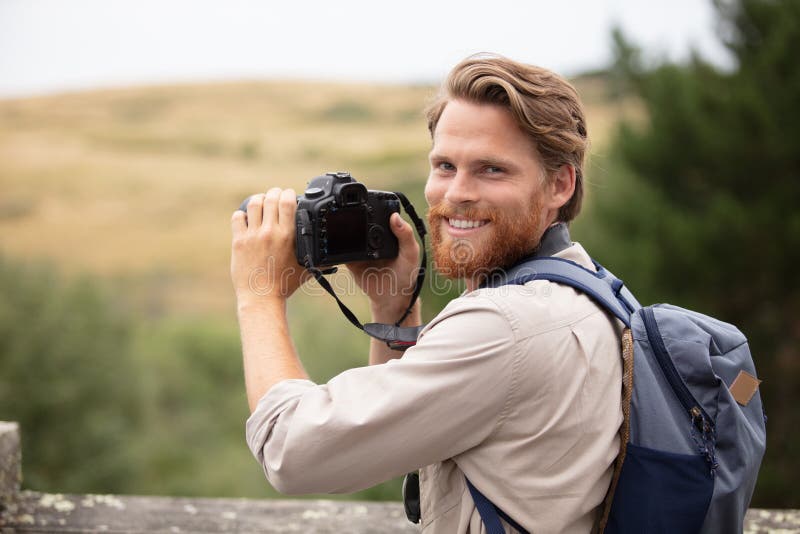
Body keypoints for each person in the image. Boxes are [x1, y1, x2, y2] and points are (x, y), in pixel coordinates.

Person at [230, 54, 623, 533]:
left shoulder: (505, 328)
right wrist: (395, 310)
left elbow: (292, 451)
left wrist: (260, 296)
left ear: (560, 184)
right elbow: (392, 441)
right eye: (444, 165)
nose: (457, 192)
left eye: (491, 170)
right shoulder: (592, 290)